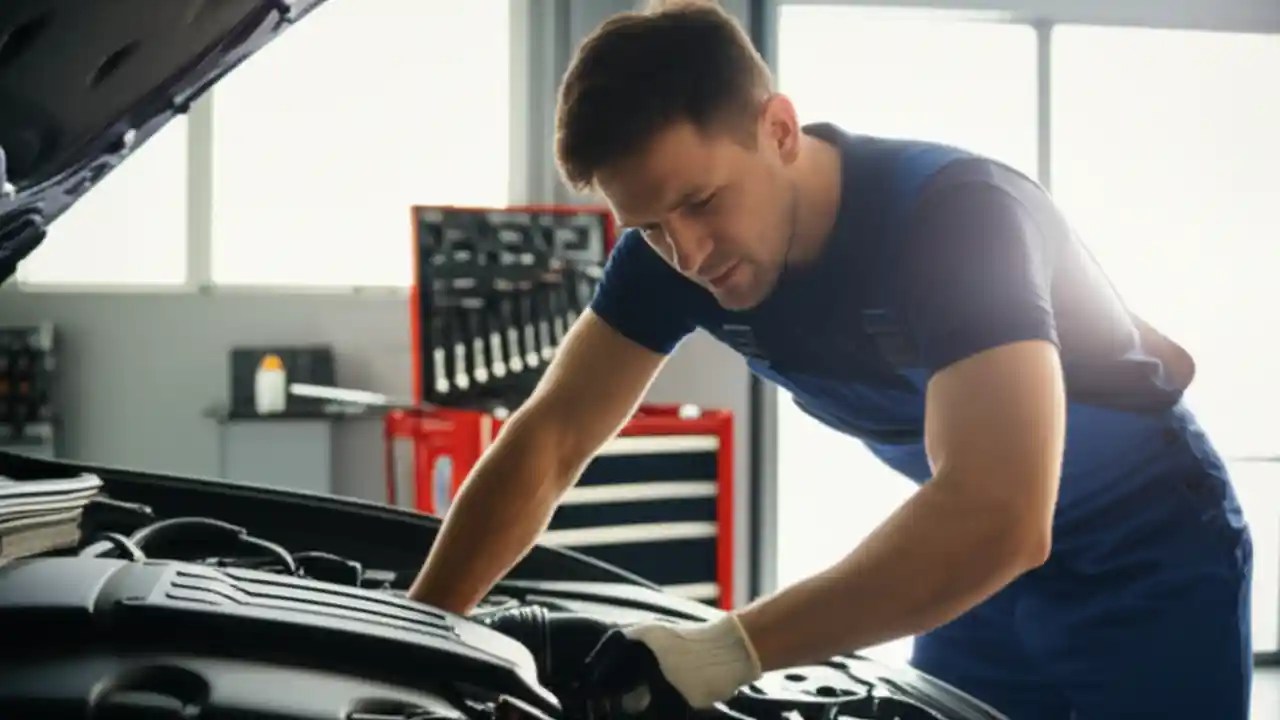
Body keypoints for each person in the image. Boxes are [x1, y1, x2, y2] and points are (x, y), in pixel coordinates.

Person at [407, 2, 1254, 717]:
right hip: (982, 570)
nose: (688, 254)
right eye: (650, 226)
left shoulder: (957, 220)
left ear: (778, 129)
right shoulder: (667, 258)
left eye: (701, 201)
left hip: (1150, 555)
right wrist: (420, 635)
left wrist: (727, 652)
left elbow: (1001, 512)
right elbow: (551, 439)